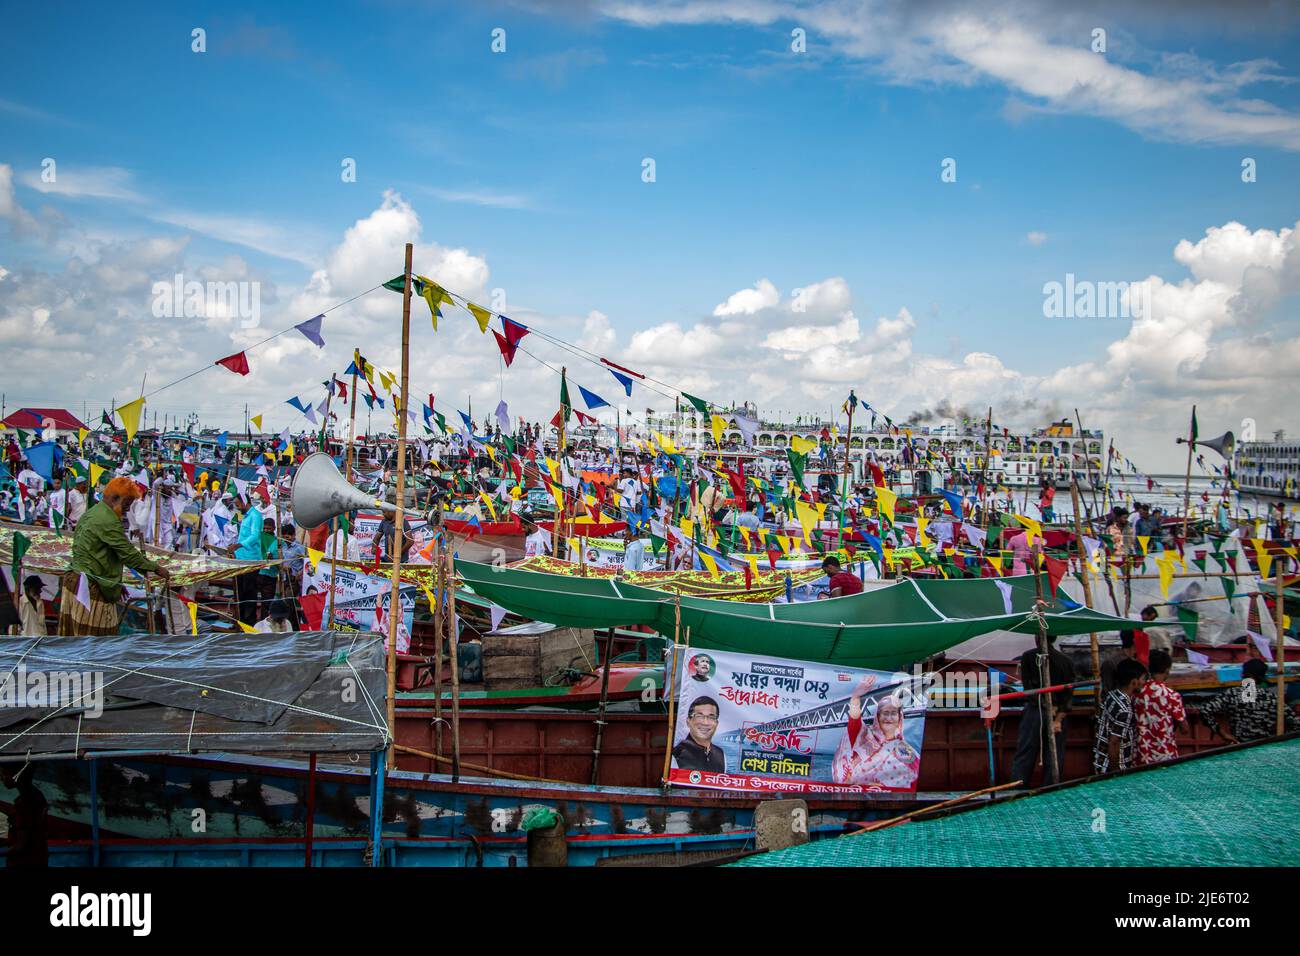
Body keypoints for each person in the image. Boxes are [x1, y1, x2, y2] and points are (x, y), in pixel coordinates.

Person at [59, 476, 169, 636]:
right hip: (89, 587)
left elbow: (97, 554)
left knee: (73, 639)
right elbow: (128, 554)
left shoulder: (91, 513)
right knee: (96, 642)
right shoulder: (108, 520)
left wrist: (114, 583)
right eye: (126, 504)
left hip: (79, 579)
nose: (126, 510)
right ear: (115, 499)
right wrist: (157, 569)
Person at [1011, 633, 1076, 787]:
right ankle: (1051, 788)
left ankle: (1017, 788)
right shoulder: (1066, 661)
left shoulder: (1027, 657)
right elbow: (1068, 695)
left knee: (1026, 753)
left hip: (1036, 711)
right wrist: (1057, 713)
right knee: (1054, 756)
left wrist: (1049, 707)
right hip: (1058, 712)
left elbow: (1029, 689)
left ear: (1037, 638)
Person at [832, 689, 920, 789]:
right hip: (853, 797)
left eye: (893, 713)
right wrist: (855, 697)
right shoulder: (864, 736)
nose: (889, 717)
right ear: (877, 716)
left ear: (900, 718)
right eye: (885, 713)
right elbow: (854, 720)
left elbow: (915, 781)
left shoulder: (907, 751)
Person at [1199, 658, 1300, 744]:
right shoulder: (1271, 698)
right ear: (1262, 677)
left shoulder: (1232, 694)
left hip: (1239, 747)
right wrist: (1279, 740)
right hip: (1264, 748)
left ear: (1243, 675)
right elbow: (1296, 723)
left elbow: (1205, 710)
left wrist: (1222, 733)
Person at [1092, 657, 1146, 775]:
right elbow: (1114, 743)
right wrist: (1116, 773)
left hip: (1100, 761)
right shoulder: (1124, 710)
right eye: (1143, 679)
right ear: (1134, 682)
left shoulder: (1111, 696)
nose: (1144, 682)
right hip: (1113, 766)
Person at [1134, 650, 1188, 766]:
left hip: (1140, 754)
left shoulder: (1136, 693)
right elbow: (1185, 729)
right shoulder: (1172, 695)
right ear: (1167, 670)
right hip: (1166, 755)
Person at [0, 763, 49, 867]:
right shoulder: (35, 796)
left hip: (25, 861)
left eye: (4, 774)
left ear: (15, 775)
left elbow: (21, 845)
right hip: (38, 858)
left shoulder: (25, 803)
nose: (2, 779)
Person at [671, 696, 725, 772]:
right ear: (688, 721)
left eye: (711, 717)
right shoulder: (678, 753)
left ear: (716, 723)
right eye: (699, 716)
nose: (705, 723)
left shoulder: (719, 753)